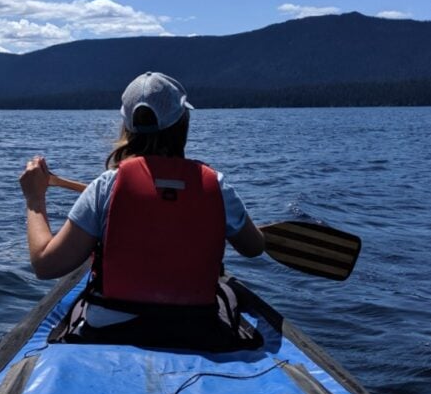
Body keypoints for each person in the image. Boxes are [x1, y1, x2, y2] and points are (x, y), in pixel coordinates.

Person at [19, 71, 265, 348]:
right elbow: (254, 247)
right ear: (183, 121)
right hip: (197, 326)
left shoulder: (106, 186)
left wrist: (35, 200)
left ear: (127, 127)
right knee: (231, 295)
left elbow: (46, 265)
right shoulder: (216, 186)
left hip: (112, 327)